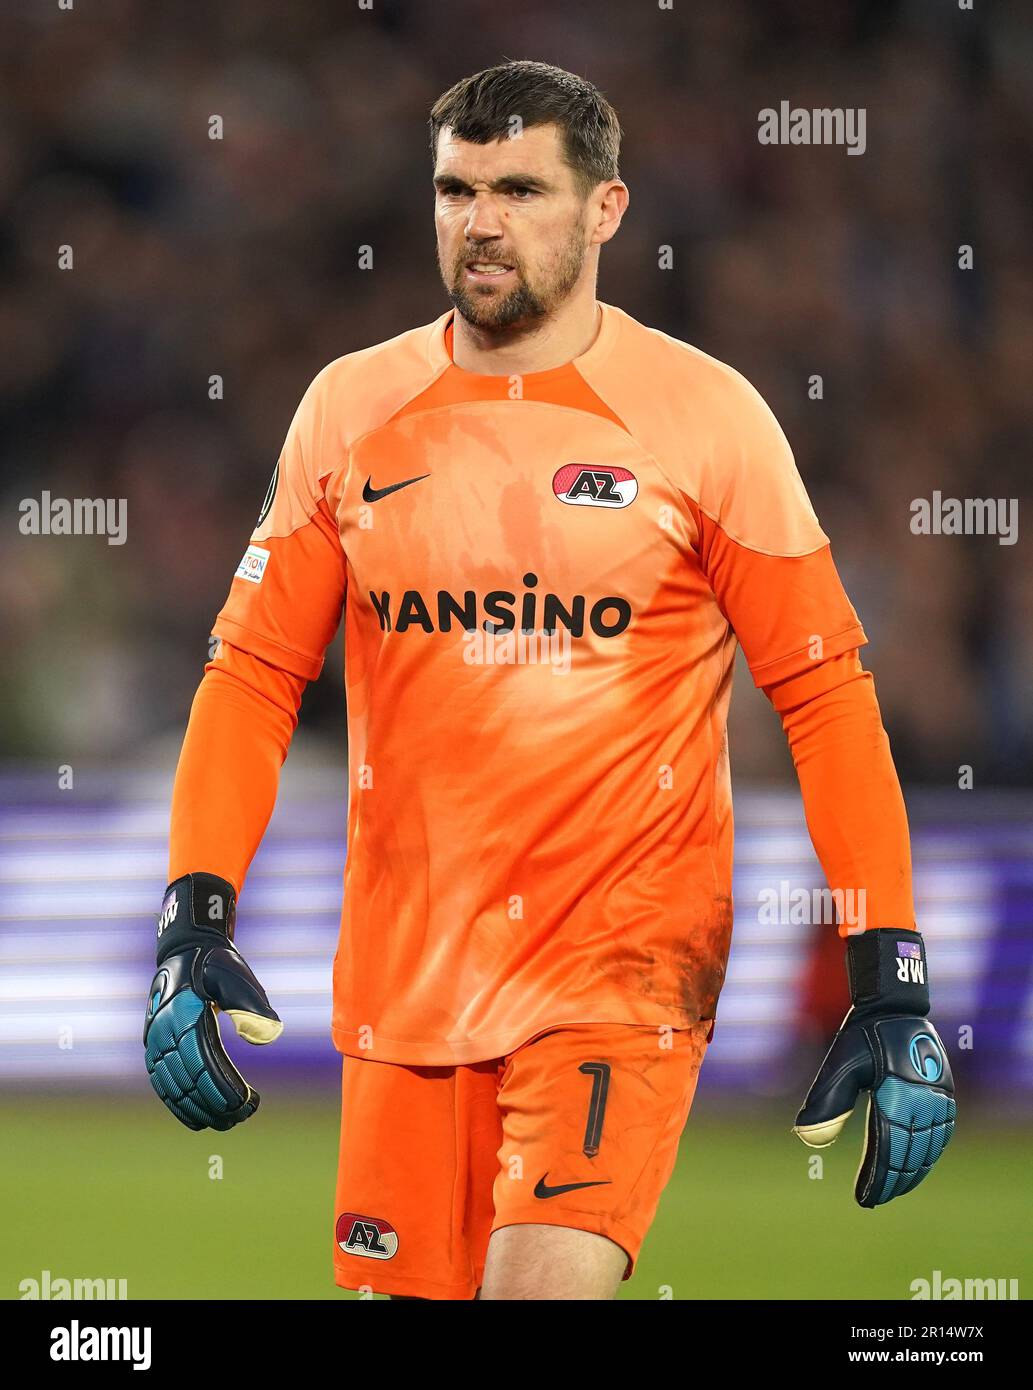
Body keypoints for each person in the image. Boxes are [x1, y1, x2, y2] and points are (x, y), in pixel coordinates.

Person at [143, 60, 954, 1302]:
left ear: (606, 210)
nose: (480, 221)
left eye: (520, 188)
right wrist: (194, 913)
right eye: (456, 189)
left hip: (620, 976)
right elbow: (252, 674)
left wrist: (887, 970)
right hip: (408, 988)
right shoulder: (348, 410)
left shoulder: (708, 420)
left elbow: (824, 694)